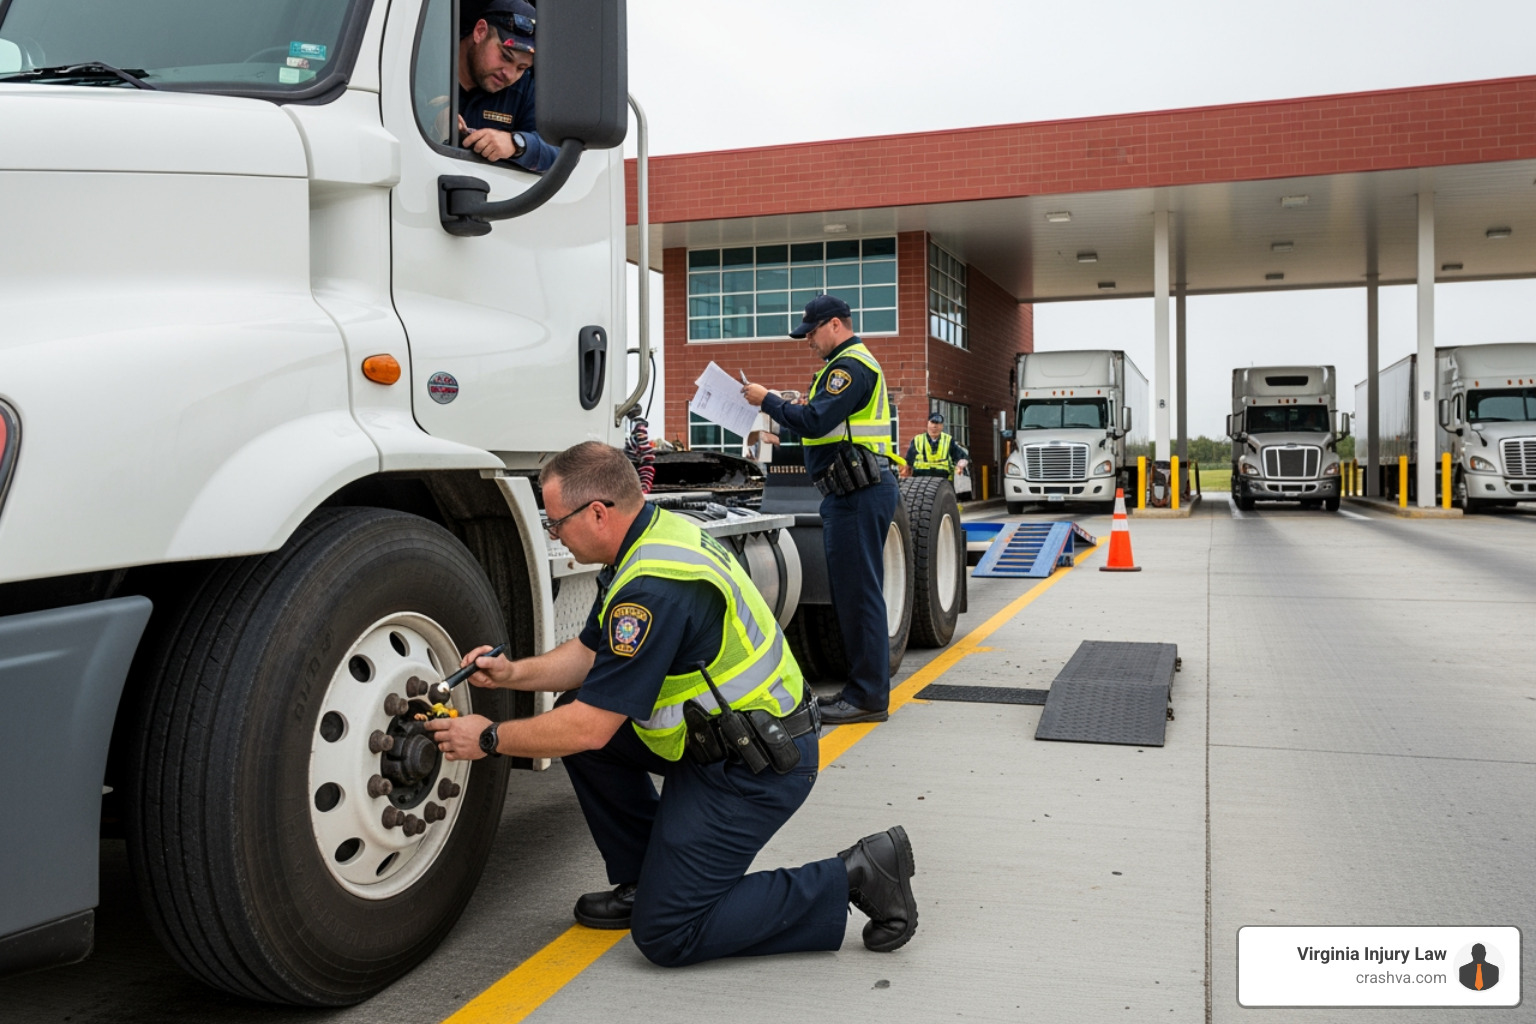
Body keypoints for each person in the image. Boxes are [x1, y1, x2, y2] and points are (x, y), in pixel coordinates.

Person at [425, 441, 918, 964]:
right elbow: (592, 654)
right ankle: (646, 878)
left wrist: (486, 738)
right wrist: (510, 674)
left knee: (667, 933)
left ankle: (858, 874)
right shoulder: (648, 541)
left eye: (556, 522)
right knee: (576, 707)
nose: (554, 534)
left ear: (597, 513)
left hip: (759, 765)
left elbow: (589, 728)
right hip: (722, 739)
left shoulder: (655, 586)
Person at [741, 295, 903, 726]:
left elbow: (815, 420)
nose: (809, 340)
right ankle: (863, 692)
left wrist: (769, 400)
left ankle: (867, 697)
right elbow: (826, 431)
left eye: (812, 332)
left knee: (859, 598)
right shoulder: (848, 366)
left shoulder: (849, 367)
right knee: (855, 595)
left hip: (857, 494)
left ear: (835, 325)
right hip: (852, 491)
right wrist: (786, 435)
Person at [454, 0, 557, 172]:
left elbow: (558, 149)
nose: (509, 74)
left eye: (521, 68)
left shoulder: (524, 86)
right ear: (480, 32)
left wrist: (517, 144)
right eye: (505, 57)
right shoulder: (425, 60)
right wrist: (430, 121)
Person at [902, 412, 970, 483]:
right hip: (920, 480)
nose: (934, 426)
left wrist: (961, 464)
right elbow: (908, 462)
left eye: (937, 424)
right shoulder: (917, 440)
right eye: (932, 423)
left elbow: (962, 457)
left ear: (942, 426)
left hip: (943, 481)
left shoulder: (948, 440)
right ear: (928, 424)